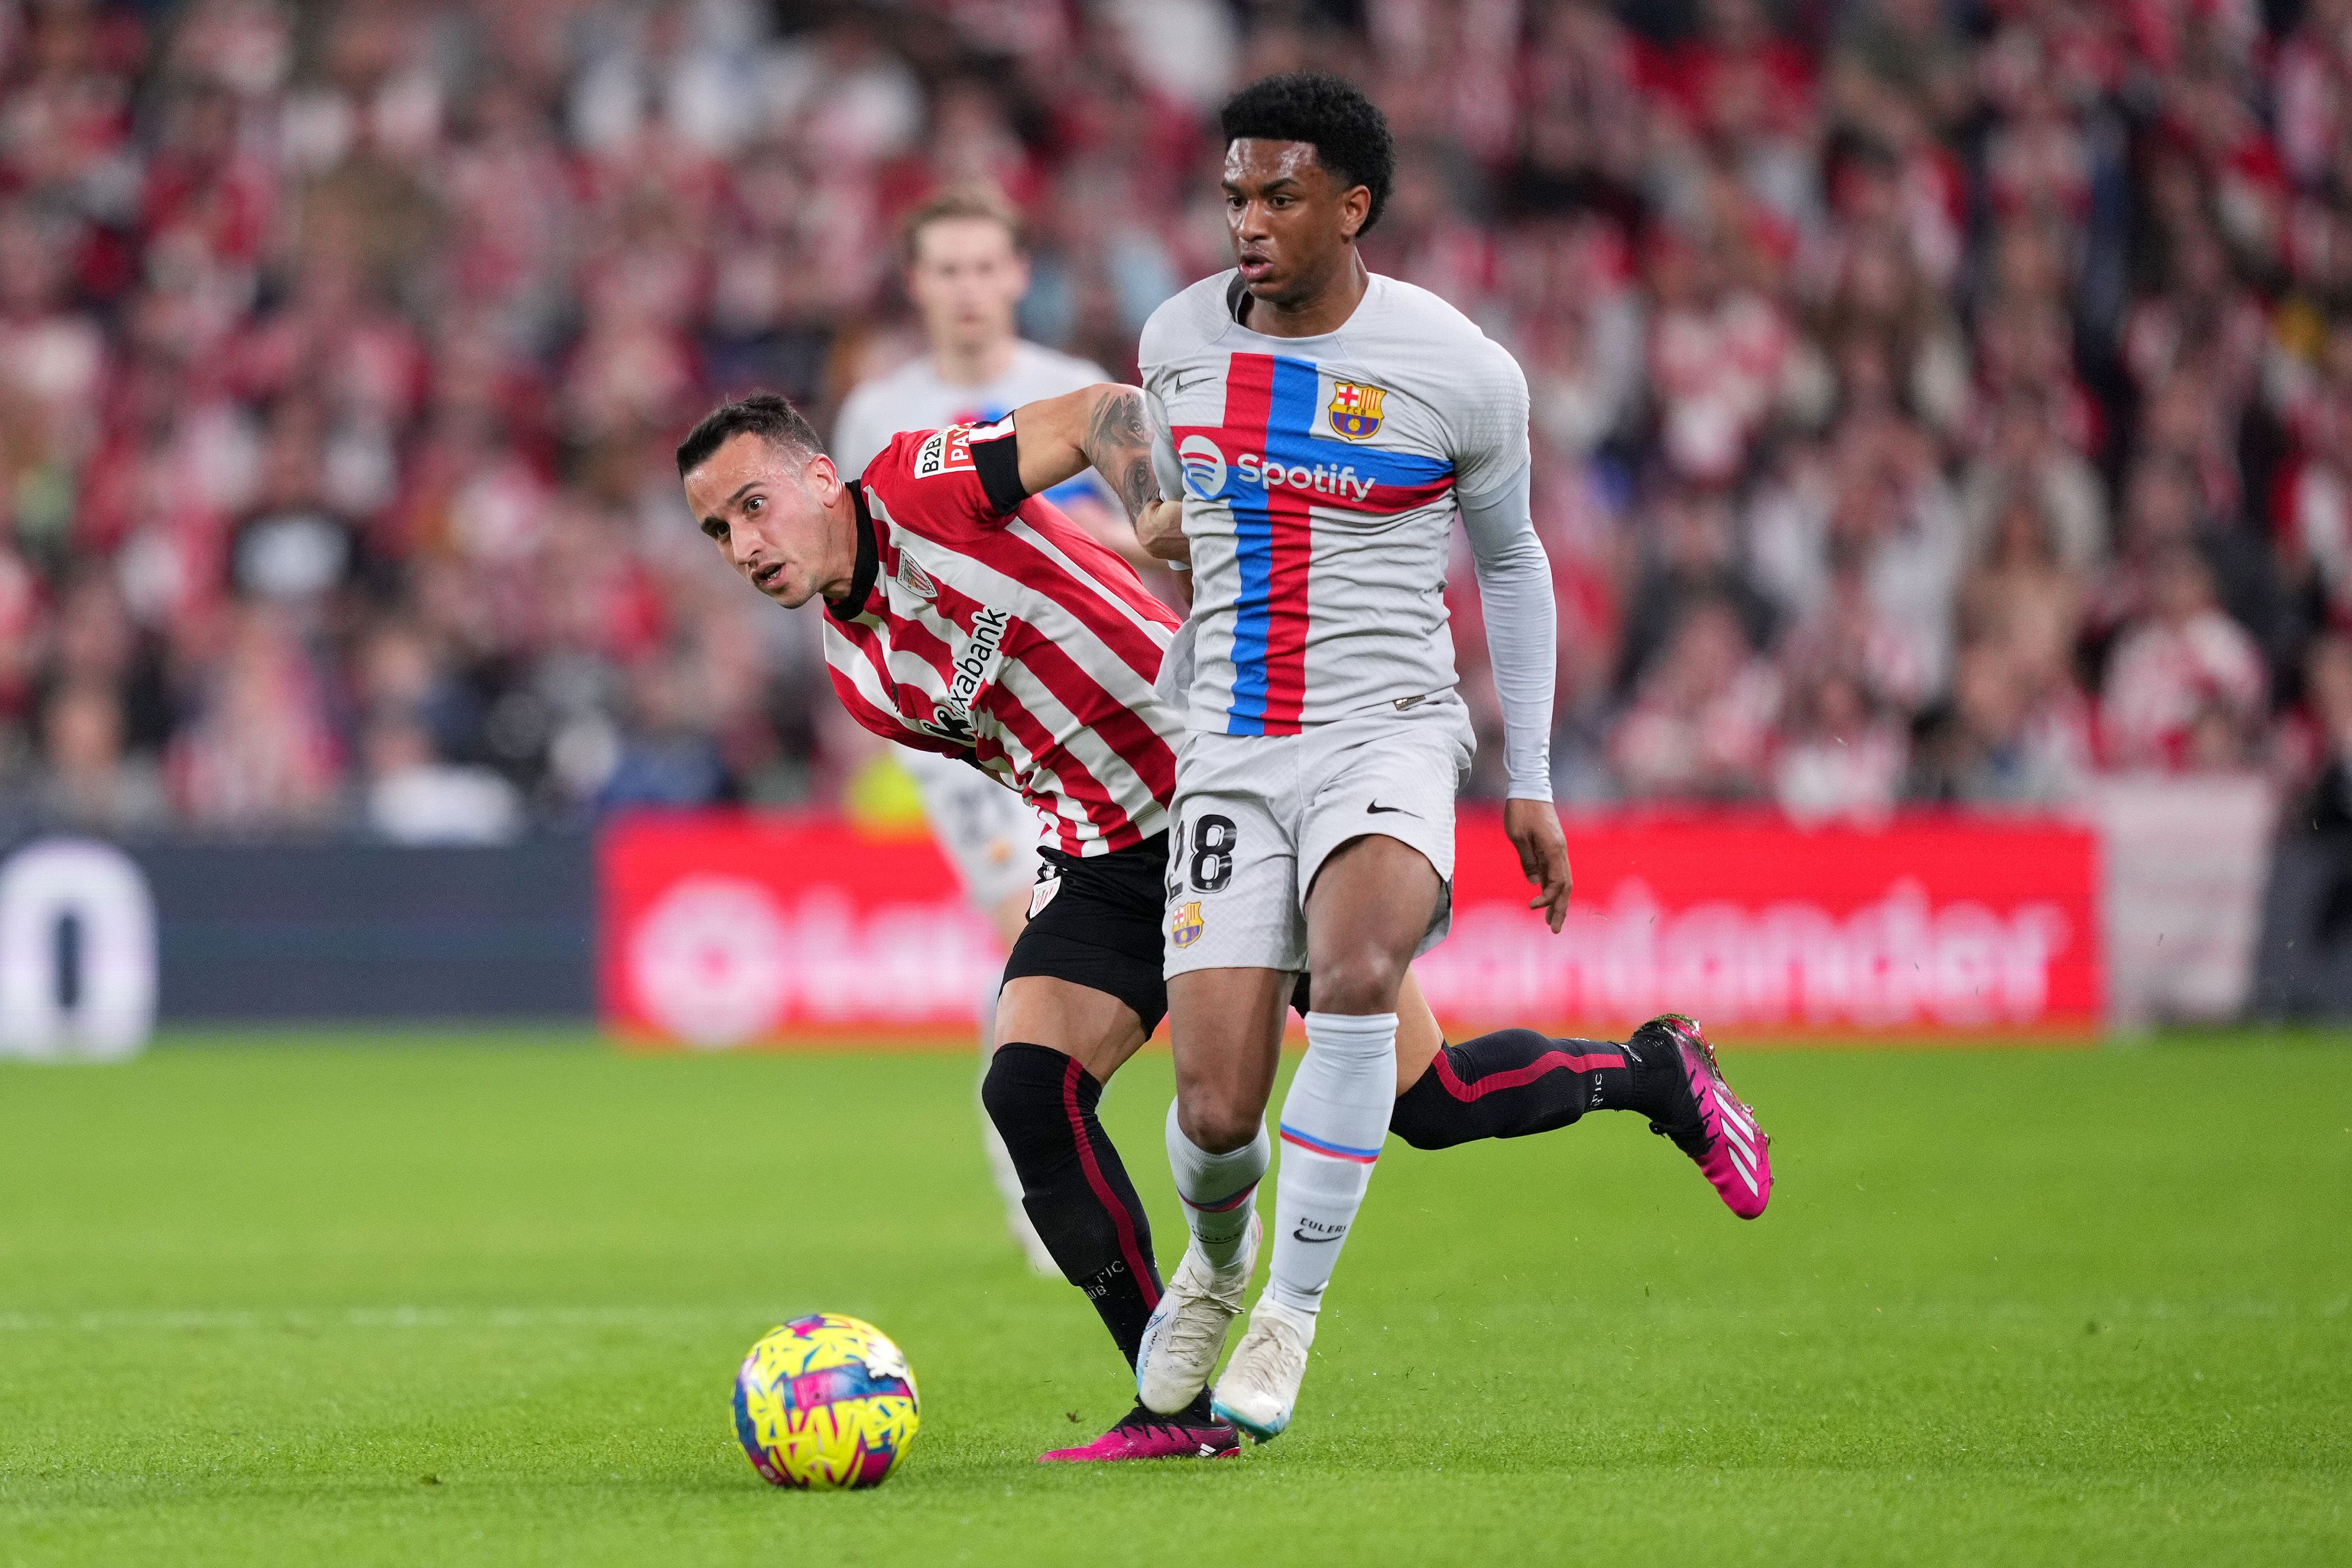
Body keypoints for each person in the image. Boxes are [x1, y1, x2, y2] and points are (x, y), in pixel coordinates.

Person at [677, 385, 1763, 1464]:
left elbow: (1104, 411)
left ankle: (1653, 1069)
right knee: (1028, 1091)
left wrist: (1153, 508)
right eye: (718, 530)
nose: (742, 544)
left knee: (1431, 1101)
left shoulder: (924, 481)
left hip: (1234, 795)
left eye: (754, 505)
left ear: (823, 477)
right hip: (1106, 856)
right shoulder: (857, 672)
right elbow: (1034, 743)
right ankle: (1177, 1408)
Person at [1130, 73, 1774, 1443]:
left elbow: (1514, 561)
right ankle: (1218, 1261)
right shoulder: (1176, 339)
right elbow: (1183, 512)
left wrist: (1527, 777)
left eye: (1280, 196)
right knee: (1212, 1107)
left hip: (1393, 731)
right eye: (1235, 194)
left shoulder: (1461, 367)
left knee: (1362, 970)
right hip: (1234, 747)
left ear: (1353, 206)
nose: (1247, 220)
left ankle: (1291, 1316)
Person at [833, 186, 1138, 1276]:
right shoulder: (878, 414)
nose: (965, 290)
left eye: (983, 267)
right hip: (970, 729)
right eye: (944, 270)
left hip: (1091, 704)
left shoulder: (1073, 391)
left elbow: (1149, 536)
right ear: (916, 287)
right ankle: (1045, 1204)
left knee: (1153, 951)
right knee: (1026, 936)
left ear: (1018, 276)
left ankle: (1170, 1168)